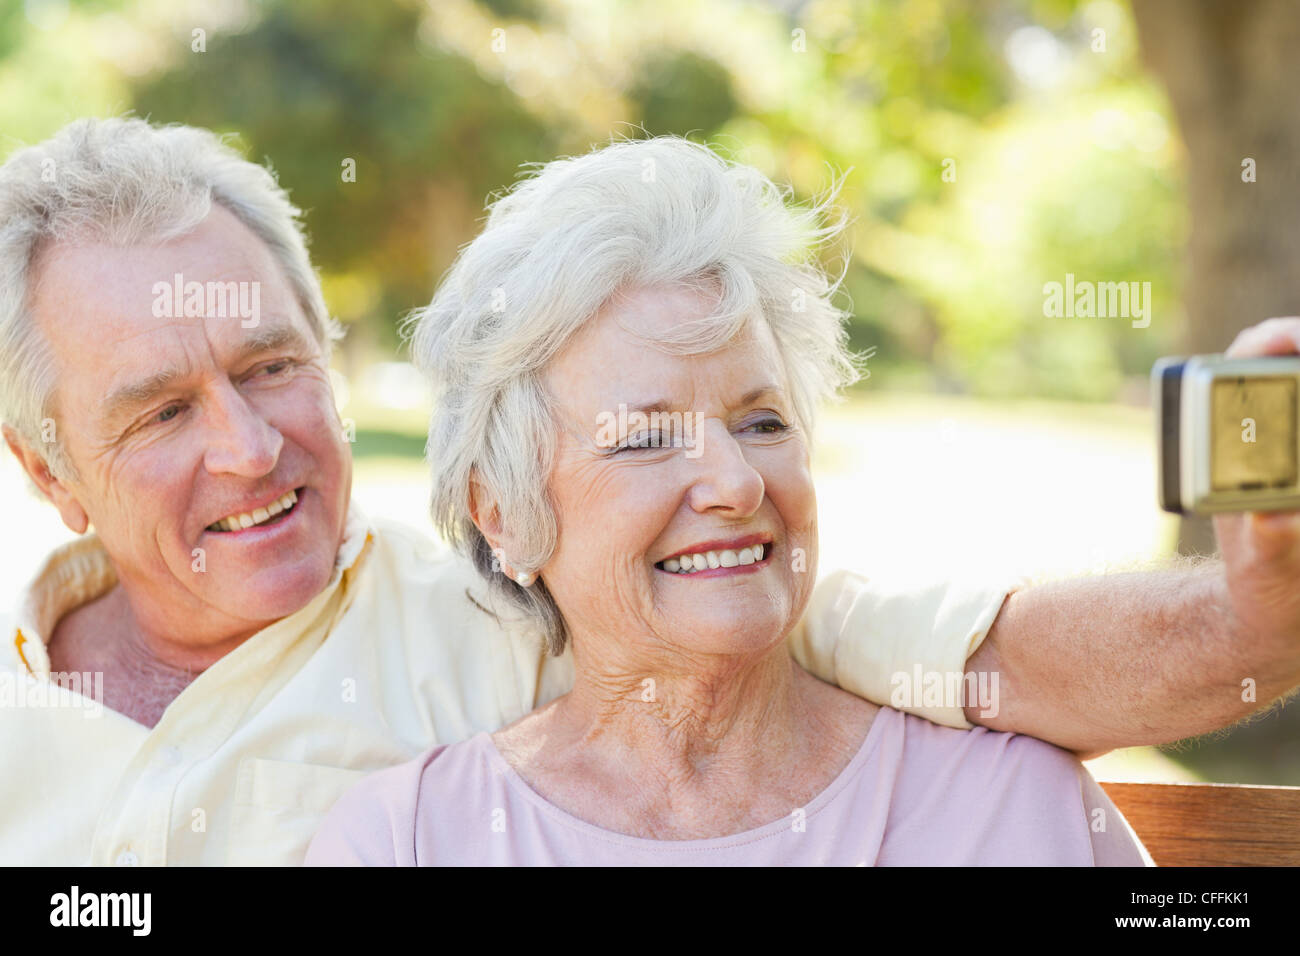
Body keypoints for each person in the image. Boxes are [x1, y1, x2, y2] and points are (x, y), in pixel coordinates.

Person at [3, 119, 1297, 866]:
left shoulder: (507, 618)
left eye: (273, 367)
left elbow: (864, 638)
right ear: (50, 475)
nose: (248, 447)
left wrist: (1249, 626)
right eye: (163, 412)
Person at [301, 140, 1187, 863]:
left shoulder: (1010, 807)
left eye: (761, 423)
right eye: (645, 438)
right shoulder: (405, 843)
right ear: (502, 515)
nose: (736, 484)